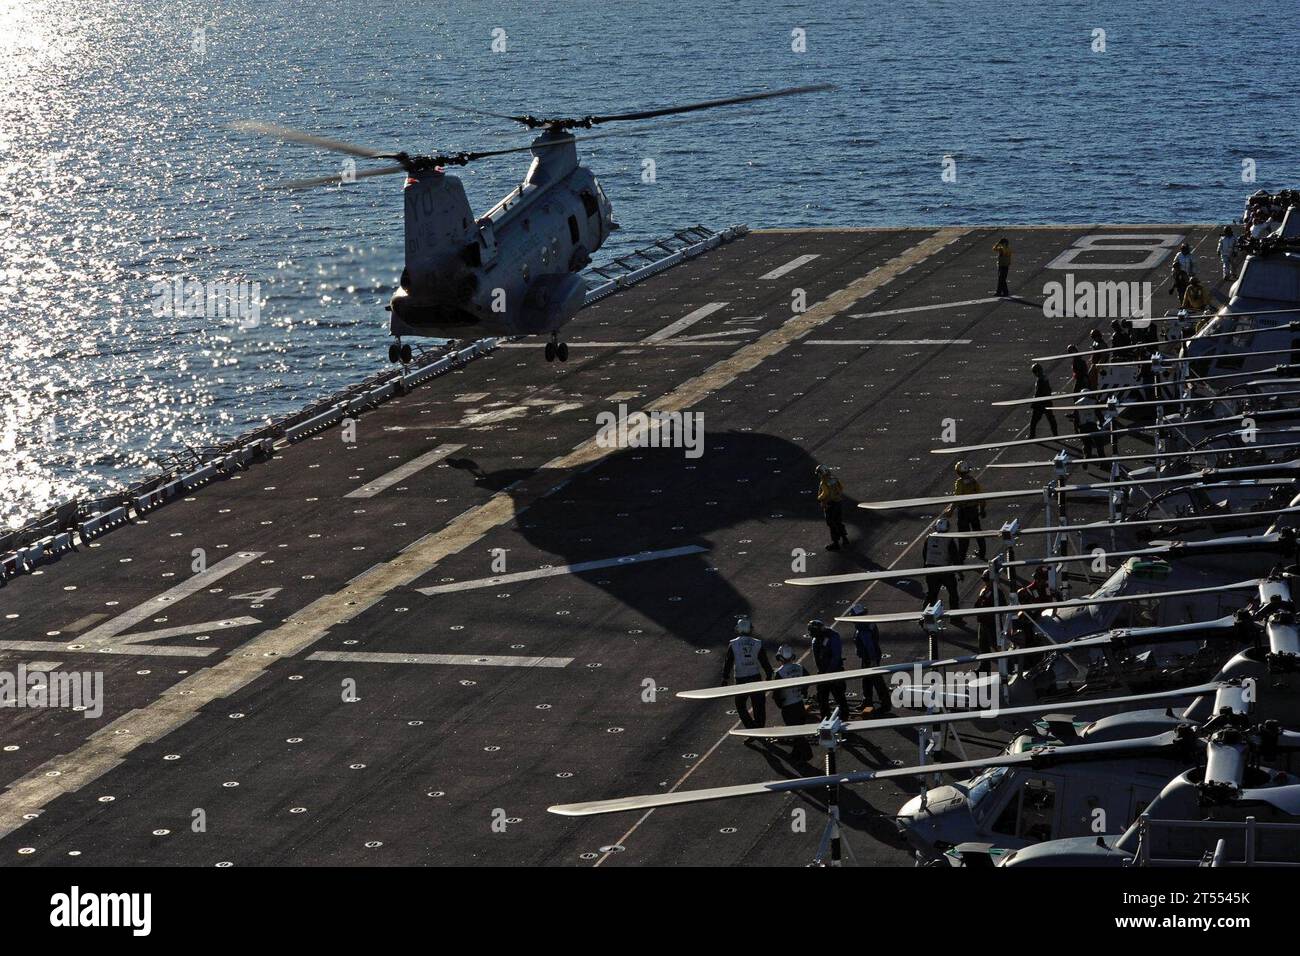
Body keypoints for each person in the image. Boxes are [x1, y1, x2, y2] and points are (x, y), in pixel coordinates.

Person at [719, 615, 773, 728]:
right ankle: (760, 729)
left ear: (738, 629)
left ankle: (751, 727)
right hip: (755, 677)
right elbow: (764, 661)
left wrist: (725, 677)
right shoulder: (757, 643)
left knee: (740, 705)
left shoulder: (733, 644)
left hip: (740, 678)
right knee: (759, 705)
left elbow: (728, 661)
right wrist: (769, 674)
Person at [771, 644, 813, 761]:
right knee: (798, 730)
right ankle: (796, 753)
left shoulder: (779, 673)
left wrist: (780, 703)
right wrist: (804, 691)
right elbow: (808, 679)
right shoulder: (800, 667)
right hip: (799, 703)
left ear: (780, 657)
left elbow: (776, 692)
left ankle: (807, 754)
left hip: (789, 707)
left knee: (796, 733)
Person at [848, 603, 891, 715]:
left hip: (870, 657)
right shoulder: (867, 624)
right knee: (866, 680)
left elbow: (869, 645)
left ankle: (885, 704)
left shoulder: (863, 628)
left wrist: (872, 660)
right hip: (869, 655)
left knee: (876, 680)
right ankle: (867, 701)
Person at [972, 571, 1012, 671]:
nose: (985, 582)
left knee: (998, 646)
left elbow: (1002, 607)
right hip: (983, 623)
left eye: (987, 580)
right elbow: (977, 605)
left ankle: (1009, 667)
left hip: (994, 624)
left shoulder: (998, 593)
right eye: (984, 580)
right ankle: (983, 668)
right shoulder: (984, 591)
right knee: (983, 646)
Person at [809, 620, 849, 720]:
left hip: (834, 672)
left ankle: (844, 717)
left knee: (839, 696)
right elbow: (817, 658)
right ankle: (825, 718)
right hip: (823, 672)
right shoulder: (815, 640)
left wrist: (829, 673)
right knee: (822, 697)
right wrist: (822, 672)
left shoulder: (833, 636)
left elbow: (836, 656)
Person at [922, 515, 961, 609]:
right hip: (945, 570)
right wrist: (960, 572)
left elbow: (924, 554)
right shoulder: (949, 539)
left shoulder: (929, 538)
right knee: (953, 594)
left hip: (931, 570)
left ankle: (925, 614)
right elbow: (954, 556)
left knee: (931, 594)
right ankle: (955, 615)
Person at [953, 460, 987, 561]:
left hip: (963, 512)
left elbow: (957, 498)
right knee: (978, 532)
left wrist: (950, 510)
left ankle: (961, 557)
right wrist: (982, 508)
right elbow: (981, 495)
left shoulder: (959, 483)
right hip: (974, 510)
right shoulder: (973, 481)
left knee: (964, 535)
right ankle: (982, 552)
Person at [815, 464, 848, 552]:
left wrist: (819, 498)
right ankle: (845, 539)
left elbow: (825, 493)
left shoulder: (824, 482)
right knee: (838, 521)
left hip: (830, 504)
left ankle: (836, 543)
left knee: (831, 523)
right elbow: (841, 488)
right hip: (838, 502)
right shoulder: (834, 479)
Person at [1028, 363, 1058, 438]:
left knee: (1034, 420)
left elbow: (1038, 392)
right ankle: (1055, 434)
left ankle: (1032, 435)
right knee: (1051, 418)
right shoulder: (1045, 377)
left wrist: (1034, 402)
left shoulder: (1040, 380)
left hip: (1040, 403)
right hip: (1047, 401)